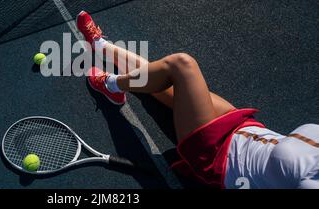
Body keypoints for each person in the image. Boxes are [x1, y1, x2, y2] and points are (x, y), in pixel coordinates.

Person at [76, 10, 319, 189]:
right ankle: (101, 46)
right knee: (160, 78)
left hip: (217, 158)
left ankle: (111, 86)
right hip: (242, 128)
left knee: (181, 66)